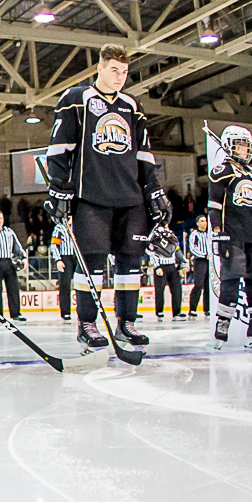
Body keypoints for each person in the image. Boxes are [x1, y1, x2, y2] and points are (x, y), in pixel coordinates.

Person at [47, 44, 170, 354]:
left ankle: (126, 322)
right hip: (91, 197)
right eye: (114, 70)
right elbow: (59, 149)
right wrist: (58, 189)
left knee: (130, 263)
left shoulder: (132, 105)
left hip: (131, 199)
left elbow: (143, 154)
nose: (120, 77)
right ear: (99, 69)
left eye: (125, 72)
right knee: (92, 264)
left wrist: (153, 190)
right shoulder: (77, 99)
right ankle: (87, 325)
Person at [207, 124, 252, 350]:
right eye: (239, 145)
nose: (244, 150)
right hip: (233, 236)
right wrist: (218, 232)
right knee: (230, 281)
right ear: (229, 145)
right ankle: (222, 329)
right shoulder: (222, 171)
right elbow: (214, 206)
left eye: (246, 145)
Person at [185, 215, 214, 317]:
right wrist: (204, 255)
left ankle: (207, 308)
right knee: (199, 285)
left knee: (207, 286)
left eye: (205, 221)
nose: (204, 223)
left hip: (209, 261)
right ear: (197, 223)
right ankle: (192, 309)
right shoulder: (194, 234)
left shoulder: (209, 234)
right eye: (202, 221)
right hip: (200, 261)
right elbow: (193, 249)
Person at [151, 238, 183, 321]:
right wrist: (156, 266)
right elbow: (152, 252)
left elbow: (177, 250)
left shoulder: (172, 237)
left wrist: (183, 263)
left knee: (177, 289)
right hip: (161, 265)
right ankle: (159, 311)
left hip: (172, 266)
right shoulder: (155, 236)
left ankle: (177, 311)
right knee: (160, 289)